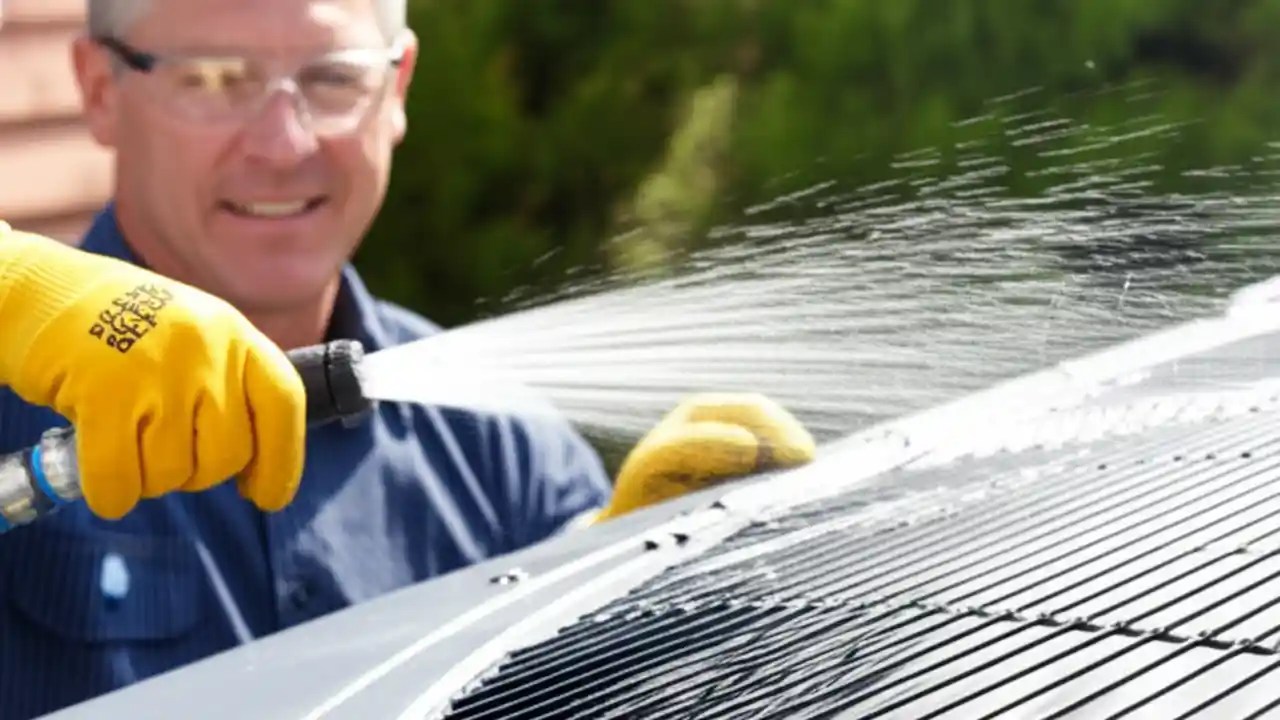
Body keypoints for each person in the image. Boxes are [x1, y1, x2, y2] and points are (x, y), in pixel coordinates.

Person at [0, 1, 815, 717]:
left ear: (397, 91)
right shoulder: (12, 377)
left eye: (331, 77)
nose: (285, 144)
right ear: (101, 88)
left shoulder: (504, 444)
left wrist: (639, 604)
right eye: (216, 78)